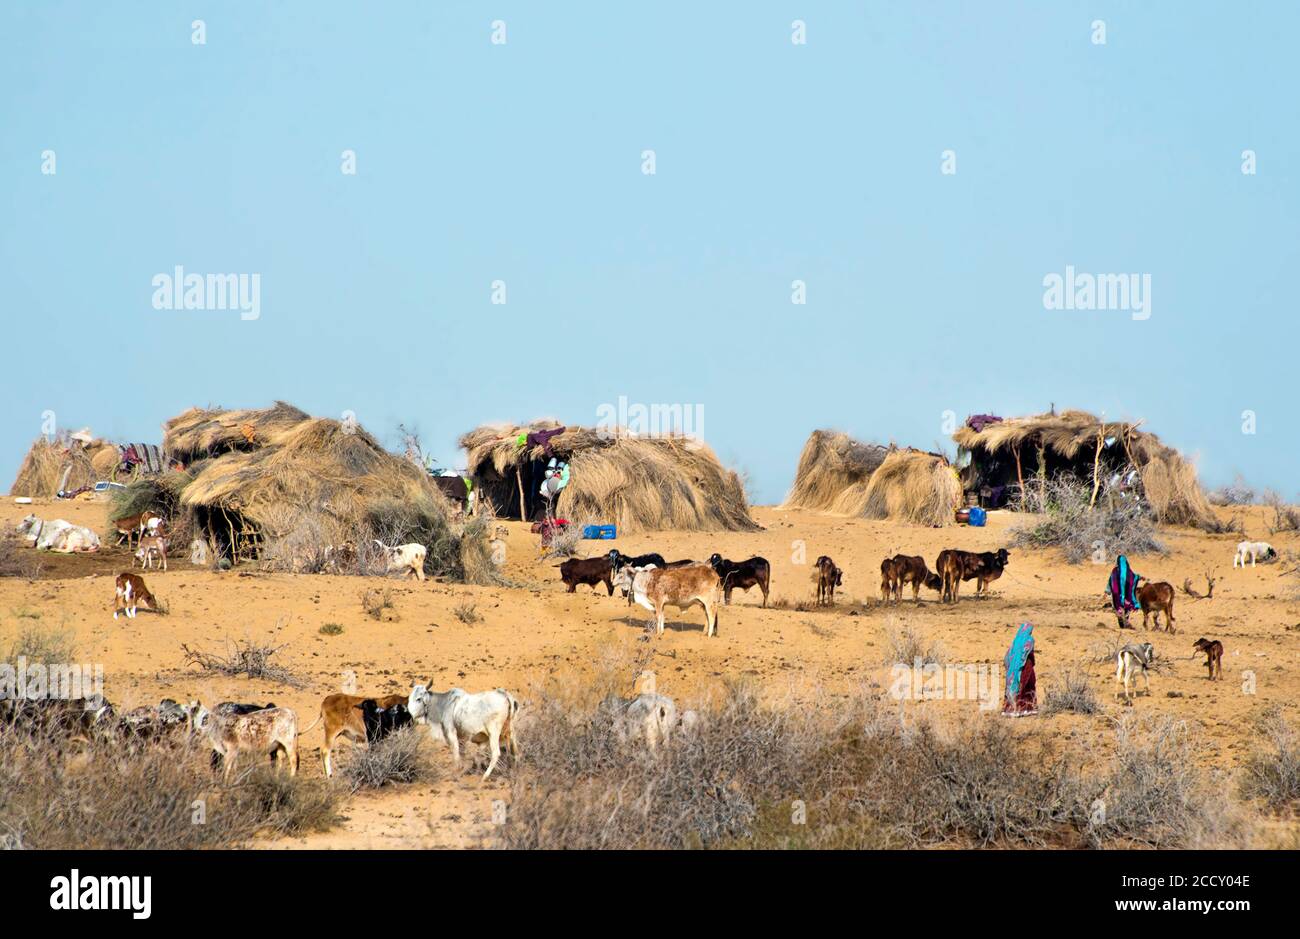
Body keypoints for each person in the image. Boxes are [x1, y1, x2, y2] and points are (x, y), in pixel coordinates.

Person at [1002, 622, 1037, 717]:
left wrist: (1011, 668)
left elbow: (1007, 657)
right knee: (1025, 686)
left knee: (1013, 685)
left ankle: (1008, 709)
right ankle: (1022, 708)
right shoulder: (1029, 640)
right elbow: (1029, 654)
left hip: (1012, 670)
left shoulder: (1015, 641)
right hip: (1025, 665)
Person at [1107, 554, 1143, 629]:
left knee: (1119, 608)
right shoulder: (1129, 571)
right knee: (1127, 607)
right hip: (1127, 596)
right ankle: (1125, 623)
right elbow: (1134, 577)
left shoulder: (1115, 570)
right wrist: (1139, 577)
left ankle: (1122, 625)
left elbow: (1111, 580)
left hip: (1117, 595)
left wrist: (1107, 590)